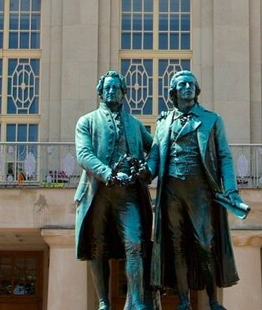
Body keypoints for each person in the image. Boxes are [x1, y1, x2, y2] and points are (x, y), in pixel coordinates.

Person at [149, 70, 249, 310]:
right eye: (182, 84)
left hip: (200, 191)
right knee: (176, 245)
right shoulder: (163, 122)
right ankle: (184, 301)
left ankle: (213, 300)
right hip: (172, 190)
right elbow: (154, 155)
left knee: (206, 243)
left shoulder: (211, 119)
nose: (187, 87)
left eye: (191, 84)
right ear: (174, 91)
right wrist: (143, 173)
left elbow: (224, 156)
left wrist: (232, 190)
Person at [74, 71, 156, 310]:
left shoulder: (135, 124)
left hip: (128, 195)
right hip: (97, 193)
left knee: (135, 243)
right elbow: (84, 154)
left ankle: (137, 301)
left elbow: (155, 150)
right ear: (100, 92)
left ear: (123, 92)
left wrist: (147, 170)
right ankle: (104, 303)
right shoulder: (86, 121)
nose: (111, 92)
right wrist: (108, 173)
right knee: (97, 248)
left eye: (116, 88)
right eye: (107, 88)